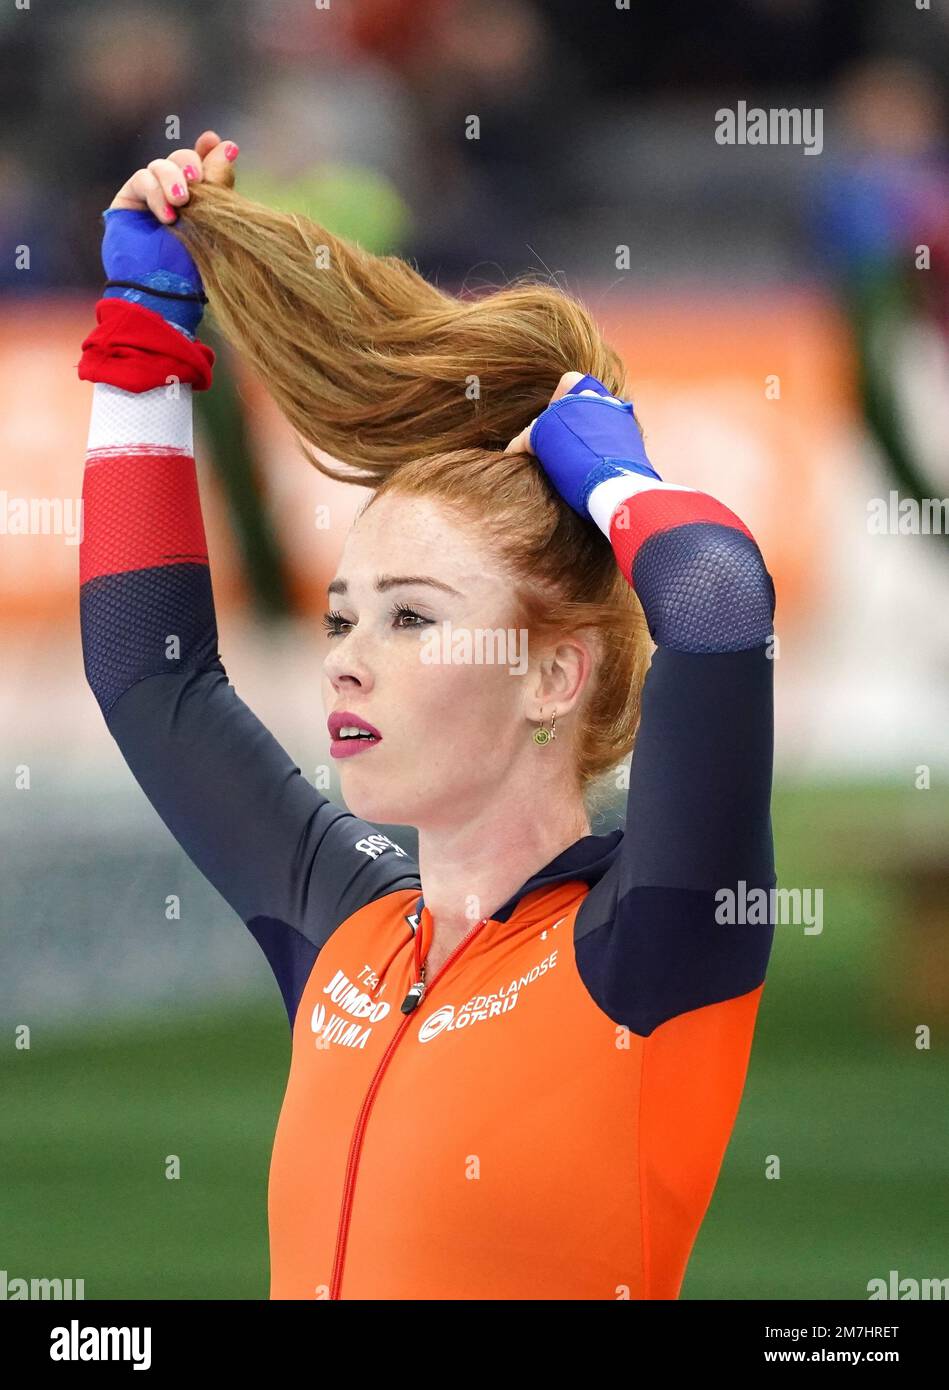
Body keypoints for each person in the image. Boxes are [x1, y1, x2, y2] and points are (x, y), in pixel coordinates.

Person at [77, 131, 777, 1300]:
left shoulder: (651, 940)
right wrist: (140, 346)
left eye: (411, 620)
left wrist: (610, 472)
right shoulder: (344, 925)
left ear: (553, 676)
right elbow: (150, 678)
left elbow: (716, 605)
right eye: (343, 619)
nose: (348, 664)